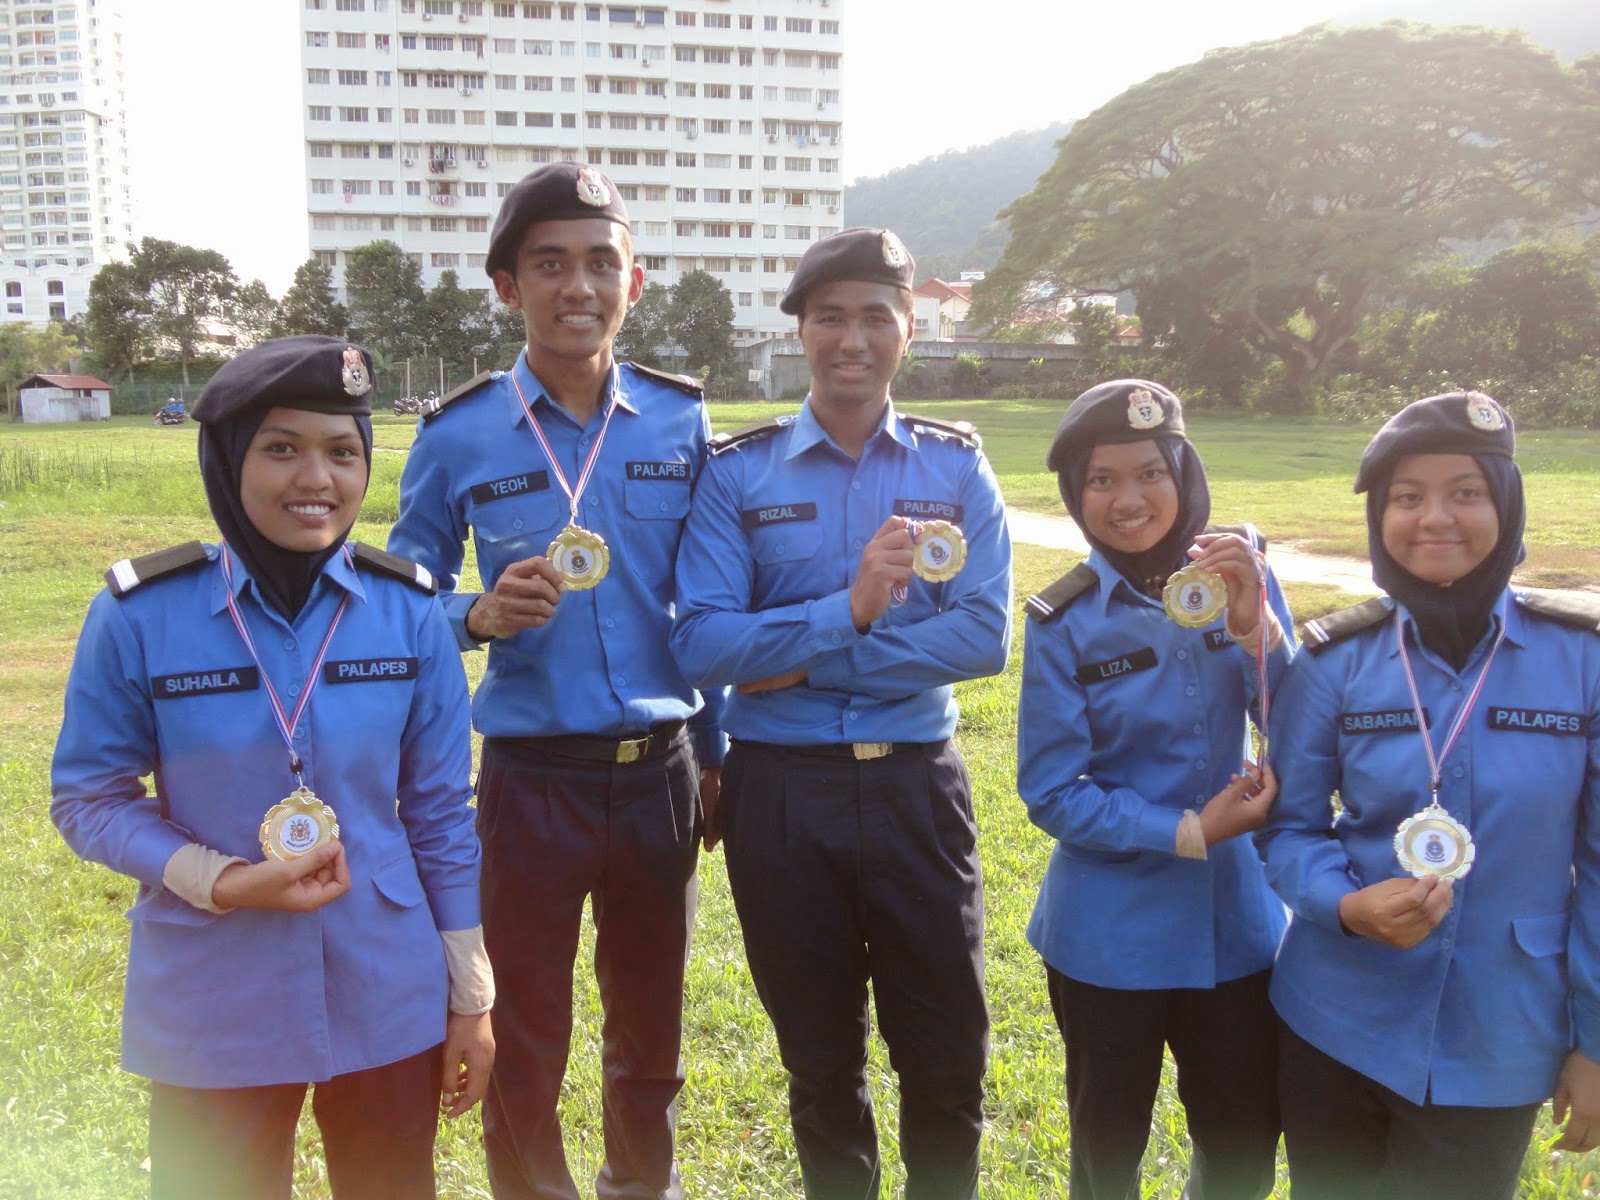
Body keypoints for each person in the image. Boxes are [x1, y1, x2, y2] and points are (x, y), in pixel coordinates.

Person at [50, 335, 494, 1200]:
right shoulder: (141, 615)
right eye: (281, 448)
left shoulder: (408, 612)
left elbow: (442, 815)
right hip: (214, 988)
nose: (317, 480)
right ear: (226, 458)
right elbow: (90, 798)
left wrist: (471, 995)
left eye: (343, 452)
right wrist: (219, 880)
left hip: (387, 984)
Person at [387, 161, 723, 1200]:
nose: (576, 286)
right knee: (526, 1028)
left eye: (598, 263)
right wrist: (475, 615)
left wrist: (718, 756)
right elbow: (400, 595)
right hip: (531, 778)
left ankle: (642, 1186)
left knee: (651, 1023)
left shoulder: (681, 421)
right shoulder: (459, 433)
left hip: (663, 769)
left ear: (635, 280)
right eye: (548, 265)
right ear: (507, 286)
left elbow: (719, 603)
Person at [670, 226, 1012, 1200]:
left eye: (874, 316)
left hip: (915, 788)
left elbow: (980, 641)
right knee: (821, 1071)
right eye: (829, 316)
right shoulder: (741, 474)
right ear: (801, 332)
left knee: (946, 1062)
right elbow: (701, 645)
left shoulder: (955, 471)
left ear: (909, 328)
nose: (851, 337)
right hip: (782, 798)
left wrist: (796, 657)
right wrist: (849, 611)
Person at [1258, 390, 1600, 1199]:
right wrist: (1345, 905)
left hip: (1504, 1030)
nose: (1434, 518)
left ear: (1505, 505)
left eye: (1465, 493)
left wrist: (1595, 1043)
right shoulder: (1335, 660)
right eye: (1407, 497)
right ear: (1381, 514)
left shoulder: (1582, 658)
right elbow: (1288, 829)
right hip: (1335, 1017)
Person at [1015, 379, 1292, 1200]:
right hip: (1108, 938)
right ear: (1075, 494)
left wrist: (1256, 634)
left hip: (1235, 926)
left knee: (1242, 1135)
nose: (1127, 499)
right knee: (1109, 1145)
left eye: (1149, 473)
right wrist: (1187, 829)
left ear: (1184, 475)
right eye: (1101, 480)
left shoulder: (1241, 578)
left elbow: (1305, 737)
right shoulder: (1063, 619)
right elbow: (1052, 790)